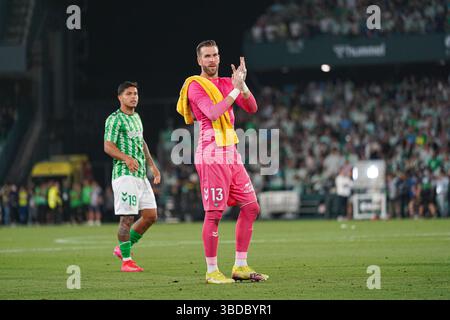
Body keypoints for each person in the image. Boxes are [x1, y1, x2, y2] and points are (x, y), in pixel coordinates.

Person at [177, 40, 268, 284]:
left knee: (251, 207)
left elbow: (252, 107)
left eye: (215, 55)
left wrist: (243, 86)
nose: (212, 60)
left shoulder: (228, 83)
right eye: (207, 56)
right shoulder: (195, 86)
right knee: (215, 213)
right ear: (199, 60)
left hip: (231, 151)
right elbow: (214, 112)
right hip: (211, 152)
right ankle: (212, 271)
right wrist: (235, 90)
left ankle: (240, 266)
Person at [104, 81, 161, 272]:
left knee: (151, 215)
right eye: (129, 94)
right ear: (120, 97)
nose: (133, 97)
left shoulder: (136, 117)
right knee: (127, 218)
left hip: (140, 175)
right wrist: (125, 158)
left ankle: (122, 249)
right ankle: (126, 261)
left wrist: (152, 165)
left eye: (135, 93)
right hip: (124, 174)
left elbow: (142, 142)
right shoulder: (114, 119)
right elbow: (108, 146)